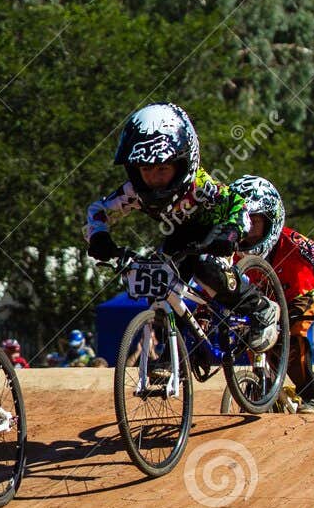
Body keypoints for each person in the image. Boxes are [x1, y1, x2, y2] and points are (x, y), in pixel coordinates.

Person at [84, 103, 280, 355]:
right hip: (179, 237)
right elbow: (97, 210)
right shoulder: (134, 192)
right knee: (157, 285)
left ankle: (260, 307)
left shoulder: (201, 186)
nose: (154, 178)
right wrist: (99, 237)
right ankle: (170, 354)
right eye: (146, 169)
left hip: (214, 233)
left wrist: (232, 232)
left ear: (182, 162)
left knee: (207, 268)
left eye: (163, 168)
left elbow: (238, 204)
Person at [230, 174, 314, 414]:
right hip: (259, 301)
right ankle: (263, 388)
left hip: (295, 299)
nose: (248, 229)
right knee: (250, 337)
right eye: (242, 221)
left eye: (255, 221)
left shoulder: (296, 243)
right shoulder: (231, 247)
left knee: (291, 344)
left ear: (271, 219)